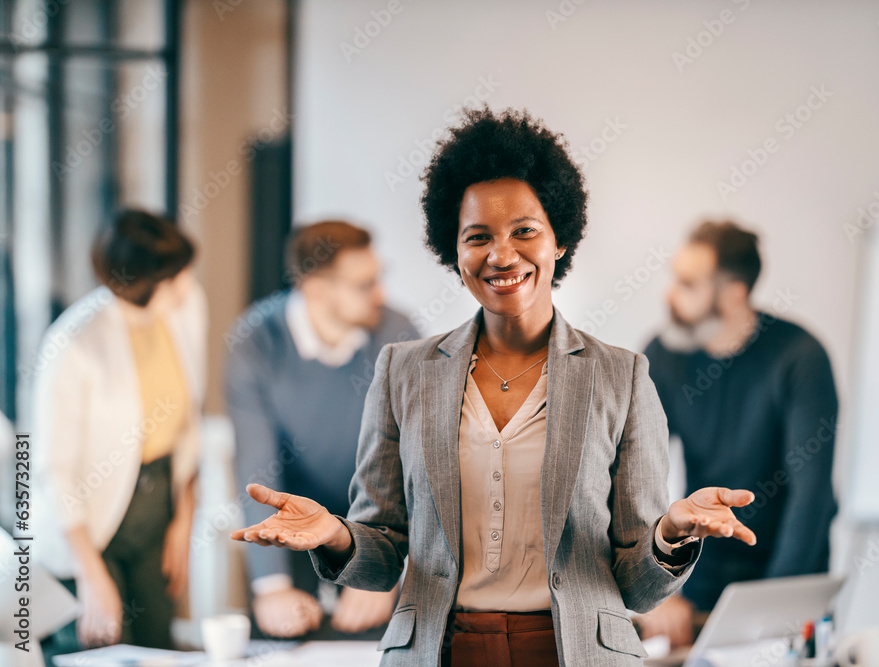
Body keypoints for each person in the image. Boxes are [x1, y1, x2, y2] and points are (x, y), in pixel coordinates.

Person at [231, 107, 758, 666]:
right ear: (455, 252)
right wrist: (334, 534)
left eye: (524, 231)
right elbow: (381, 559)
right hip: (442, 651)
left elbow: (637, 586)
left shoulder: (621, 376)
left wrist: (670, 533)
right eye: (478, 237)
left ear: (559, 240)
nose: (501, 255)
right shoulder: (403, 371)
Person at [634, 221, 838, 645]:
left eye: (688, 284)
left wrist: (772, 612)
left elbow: (812, 496)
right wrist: (655, 587)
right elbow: (633, 476)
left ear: (733, 294)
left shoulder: (799, 357)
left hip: (789, 575)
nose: (670, 295)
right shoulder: (664, 355)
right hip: (702, 575)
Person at [225, 221, 420, 639]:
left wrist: (387, 564)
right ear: (315, 288)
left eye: (379, 277)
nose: (380, 294)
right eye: (364, 285)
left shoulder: (400, 334)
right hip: (290, 519)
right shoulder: (256, 341)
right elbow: (257, 465)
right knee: (282, 636)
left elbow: (415, 462)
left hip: (375, 521)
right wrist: (272, 588)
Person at [35, 210, 205, 659]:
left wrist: (183, 520)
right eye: (177, 276)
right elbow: (56, 471)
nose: (188, 283)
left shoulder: (185, 310)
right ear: (150, 283)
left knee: (158, 647)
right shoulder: (73, 343)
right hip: (88, 523)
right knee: (105, 651)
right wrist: (90, 575)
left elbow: (190, 428)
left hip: (158, 501)